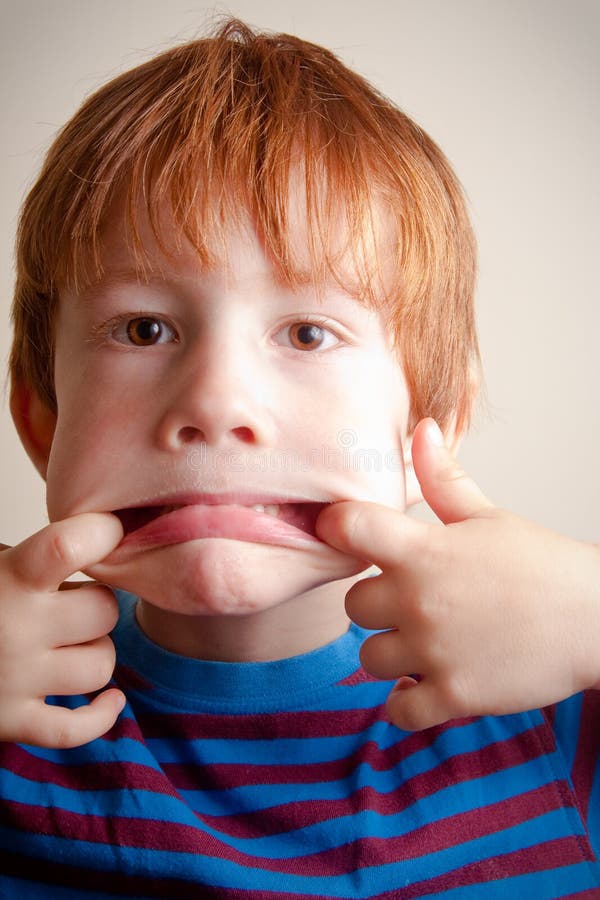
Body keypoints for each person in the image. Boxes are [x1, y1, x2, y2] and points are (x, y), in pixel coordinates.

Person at [0, 18, 598, 898]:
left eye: (309, 332)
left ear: (427, 425)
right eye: (143, 329)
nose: (215, 403)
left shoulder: (557, 695)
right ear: (43, 421)